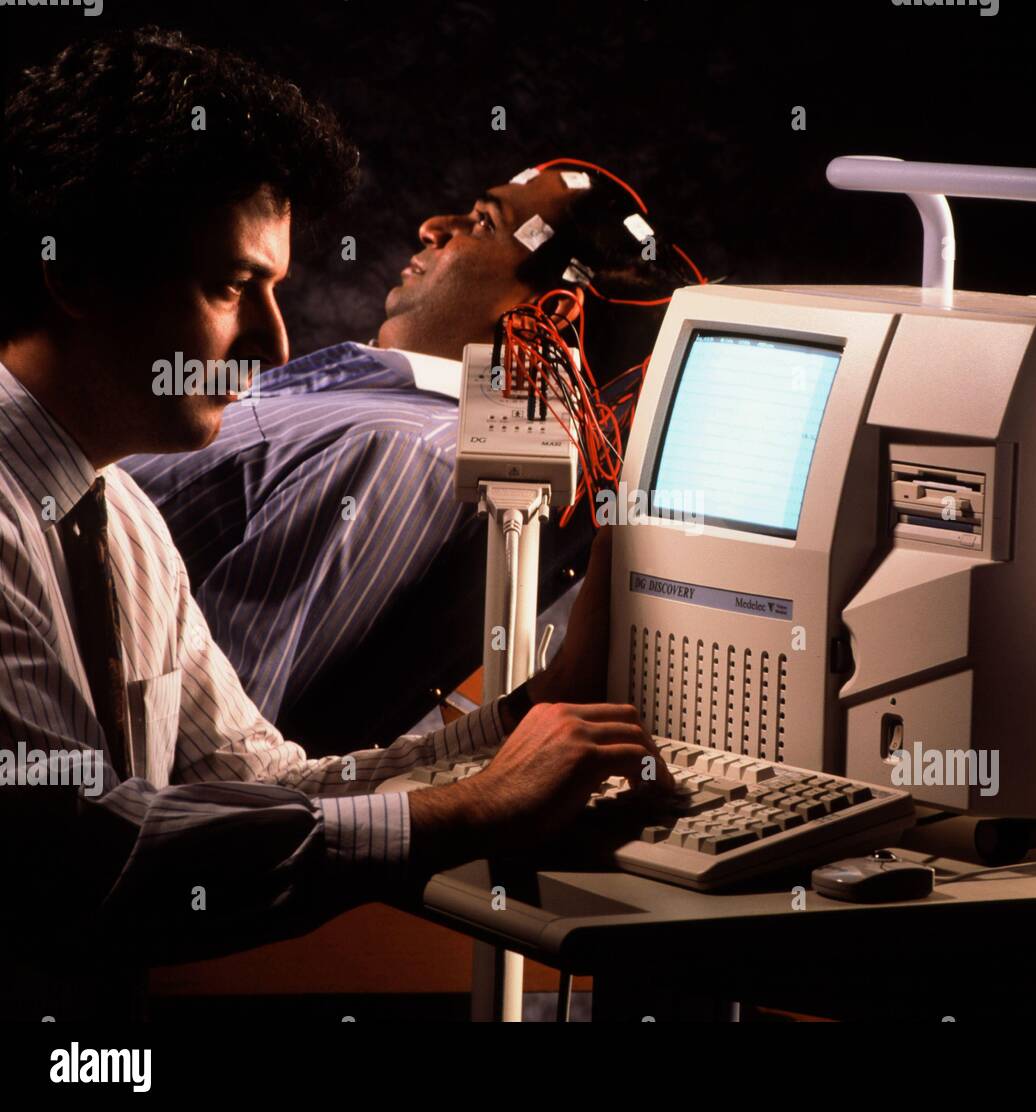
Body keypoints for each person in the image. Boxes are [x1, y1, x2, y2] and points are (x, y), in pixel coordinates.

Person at [0, 27, 671, 1020]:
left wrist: (517, 722)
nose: (272, 338)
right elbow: (74, 867)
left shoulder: (121, 512)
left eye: (272, 287)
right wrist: (468, 808)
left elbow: (257, 778)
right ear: (82, 274)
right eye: (233, 287)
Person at [121, 161, 703, 753]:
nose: (432, 227)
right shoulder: (381, 418)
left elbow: (210, 752)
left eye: (482, 223)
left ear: (550, 314)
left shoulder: (400, 452)